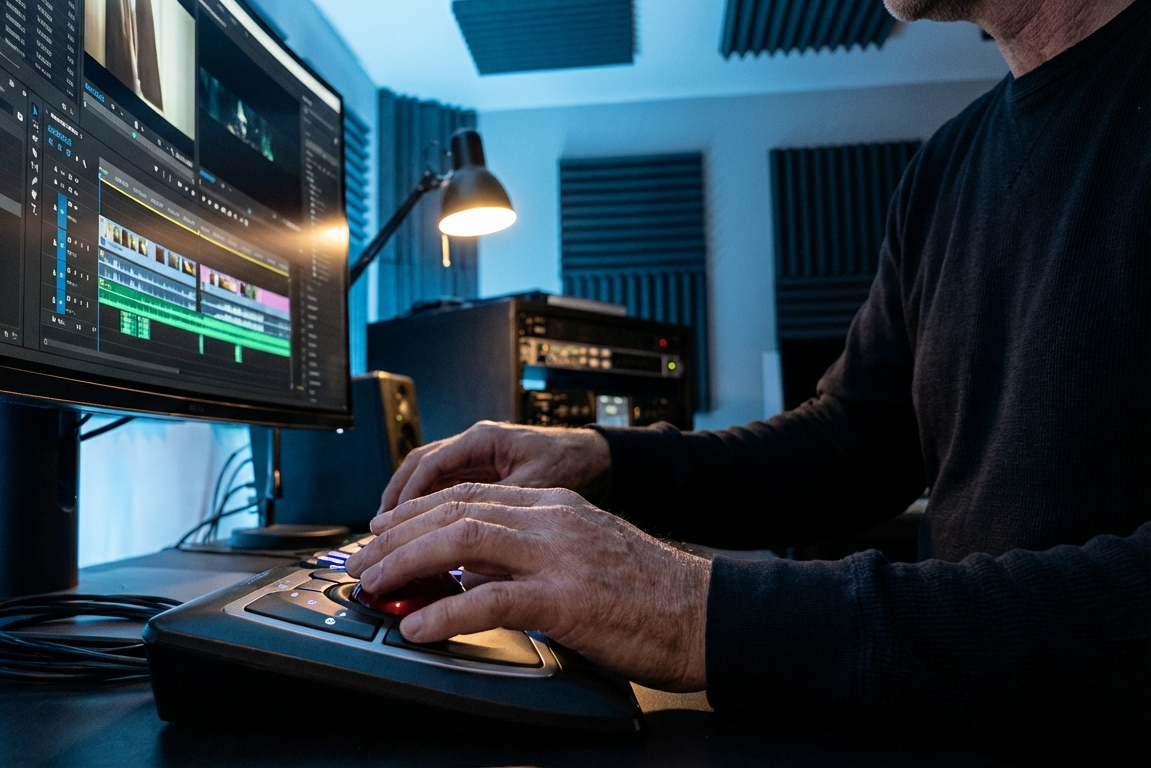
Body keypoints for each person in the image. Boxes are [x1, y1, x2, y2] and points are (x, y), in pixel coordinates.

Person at [346, 0, 1150, 757]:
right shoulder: (948, 165)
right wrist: (602, 459)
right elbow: (853, 445)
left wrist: (700, 616)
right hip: (961, 720)